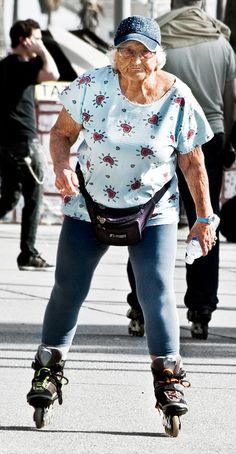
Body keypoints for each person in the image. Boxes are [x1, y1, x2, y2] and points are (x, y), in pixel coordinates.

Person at [26, 15, 216, 436]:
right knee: (68, 286)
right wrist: (61, 168)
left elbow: (192, 161)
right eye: (126, 51)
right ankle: (47, 369)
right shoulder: (92, 86)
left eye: (143, 52)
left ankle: (168, 379)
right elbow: (61, 135)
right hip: (89, 203)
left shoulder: (177, 96)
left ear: (157, 56)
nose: (134, 60)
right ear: (114, 54)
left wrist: (204, 218)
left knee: (156, 289)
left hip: (153, 209)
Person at [126, 0, 236, 340]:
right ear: (202, 4)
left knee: (142, 219)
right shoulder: (221, 44)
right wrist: (227, 140)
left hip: (158, 137)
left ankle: (140, 307)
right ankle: (201, 309)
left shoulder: (155, 41)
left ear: (173, 3)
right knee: (205, 218)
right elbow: (230, 100)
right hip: (210, 137)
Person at [0, 19, 60, 270]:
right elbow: (53, 74)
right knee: (33, 197)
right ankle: (29, 253)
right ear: (25, 40)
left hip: (5, 144)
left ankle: (28, 253)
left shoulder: (2, 66)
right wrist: (43, 51)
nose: (39, 41)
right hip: (25, 142)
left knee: (11, 197)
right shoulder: (22, 66)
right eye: (36, 37)